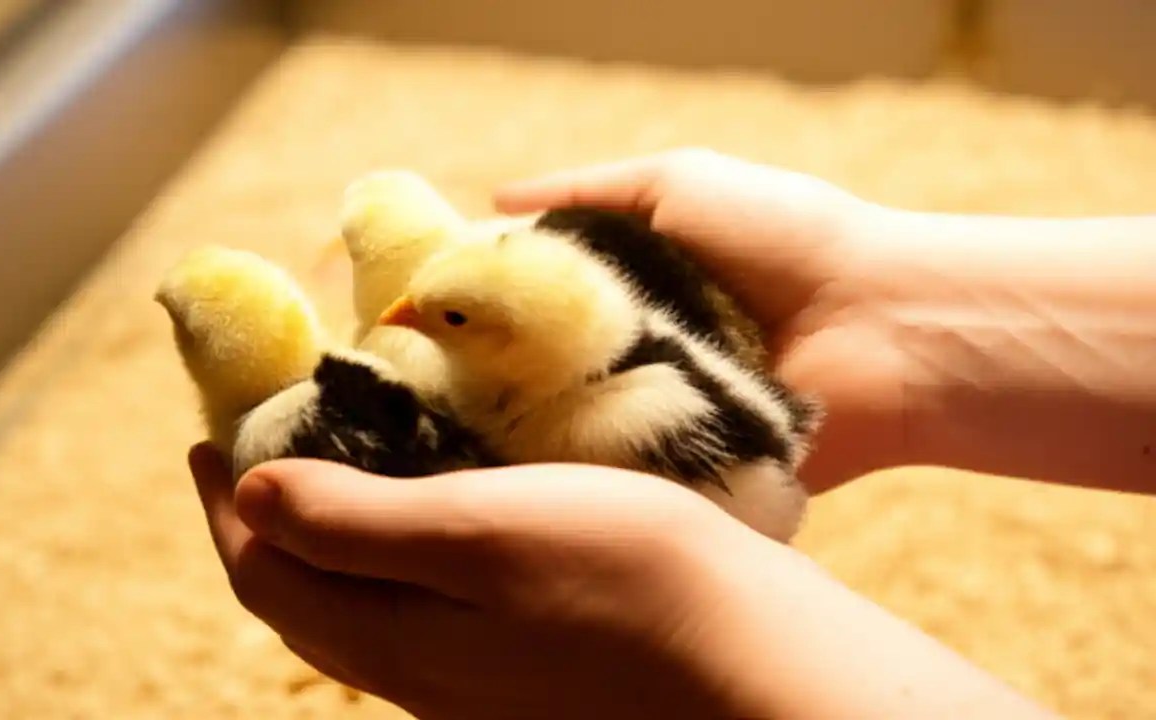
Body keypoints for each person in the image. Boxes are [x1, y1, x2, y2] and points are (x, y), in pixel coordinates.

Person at [188, 148, 1154, 719]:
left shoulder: (590, 400)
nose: (402, 315)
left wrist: (701, 639)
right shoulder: (549, 342)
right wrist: (876, 303)